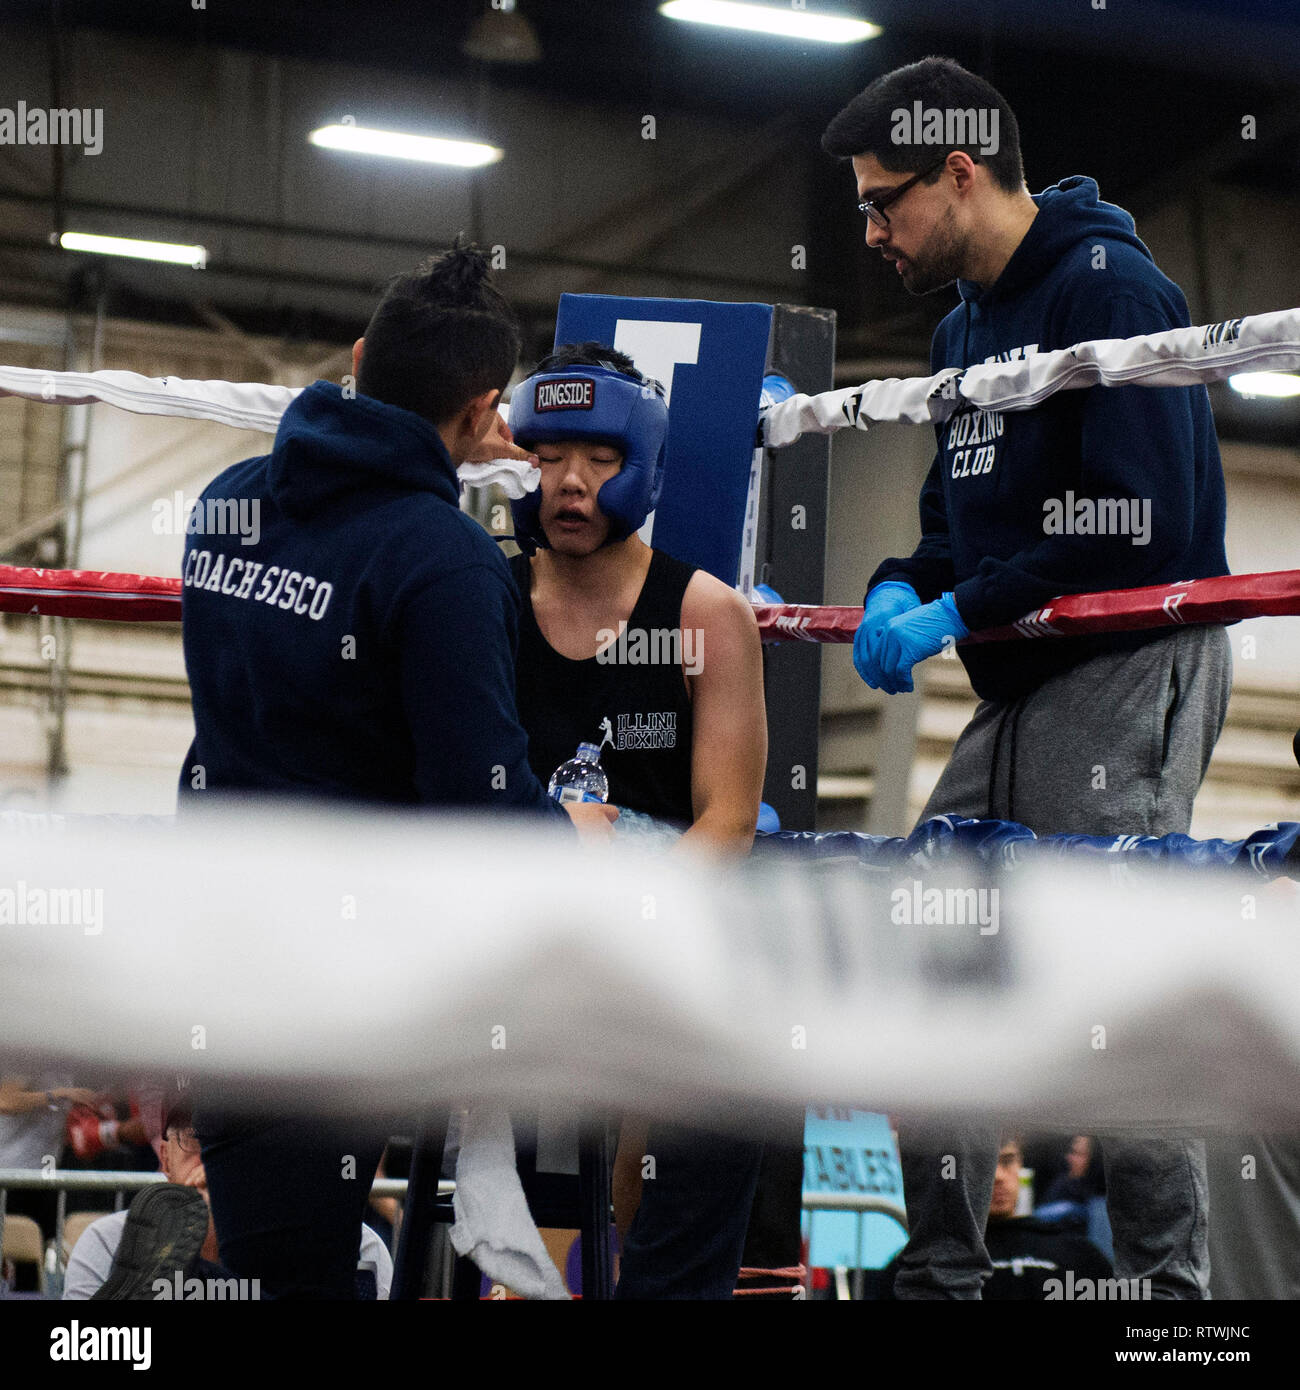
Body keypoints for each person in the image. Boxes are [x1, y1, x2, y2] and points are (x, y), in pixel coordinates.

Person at [822, 57, 1231, 1299]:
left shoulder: (1111, 288)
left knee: (1119, 958)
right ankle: (941, 1269)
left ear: (960, 170)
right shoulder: (961, 330)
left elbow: (1139, 517)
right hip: (1018, 678)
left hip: (1128, 659)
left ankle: (1169, 1295)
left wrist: (957, 601)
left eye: (884, 201)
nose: (872, 232)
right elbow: (956, 523)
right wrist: (908, 579)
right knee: (934, 937)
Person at [178, 244, 614, 1299]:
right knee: (300, 1264)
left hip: (212, 930)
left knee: (280, 1252)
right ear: (484, 413)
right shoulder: (442, 556)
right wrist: (571, 835)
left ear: (362, 356)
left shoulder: (226, 500)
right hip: (338, 968)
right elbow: (478, 802)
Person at [506, 342, 770, 1298]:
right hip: (508, 947)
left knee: (698, 1093)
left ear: (643, 461)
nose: (571, 483)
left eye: (601, 459)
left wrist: (625, 926)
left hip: (659, 950)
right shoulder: (482, 600)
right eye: (548, 457)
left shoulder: (705, 614)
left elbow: (728, 822)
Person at [64, 1101, 393, 1300]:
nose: (211, 1167)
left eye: (227, 1151)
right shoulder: (110, 1240)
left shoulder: (359, 1244)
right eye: (195, 1140)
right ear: (164, 1159)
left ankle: (197, 1278)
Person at [879, 1137, 1113, 1300]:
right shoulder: (923, 1259)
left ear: (1021, 1165)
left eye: (1007, 1161)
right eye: (984, 1165)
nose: (998, 1176)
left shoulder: (1080, 1255)